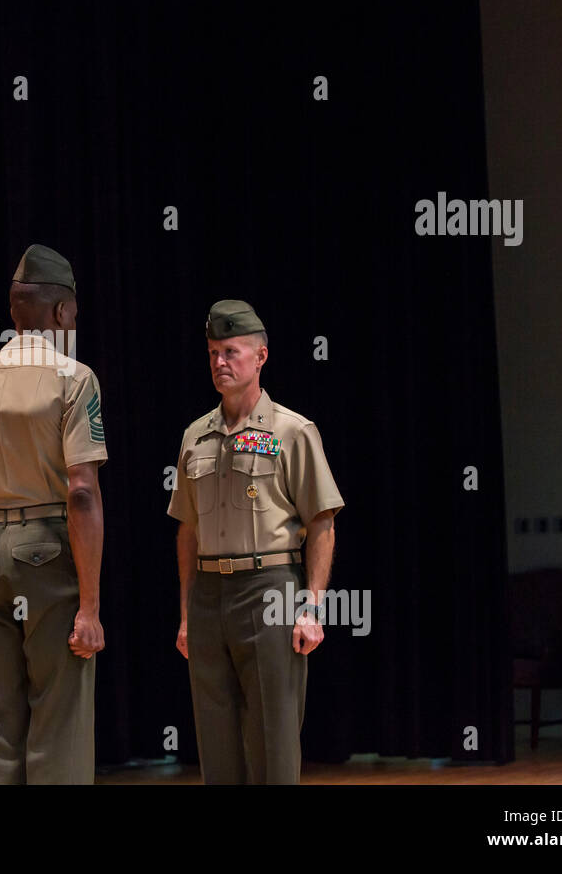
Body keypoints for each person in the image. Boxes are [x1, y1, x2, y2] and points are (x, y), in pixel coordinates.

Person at [0, 244, 107, 785]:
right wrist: (91, 607)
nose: (73, 323)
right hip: (50, 552)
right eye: (73, 315)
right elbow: (82, 492)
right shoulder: (73, 379)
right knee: (60, 719)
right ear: (60, 312)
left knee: (1, 721)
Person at [169, 300, 344, 784]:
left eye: (231, 351)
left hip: (270, 589)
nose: (219, 363)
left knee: (273, 735)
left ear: (261, 356)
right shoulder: (194, 437)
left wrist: (311, 606)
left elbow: (322, 521)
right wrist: (186, 611)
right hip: (208, 595)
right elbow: (186, 530)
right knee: (215, 737)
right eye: (212, 353)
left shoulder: (292, 430)